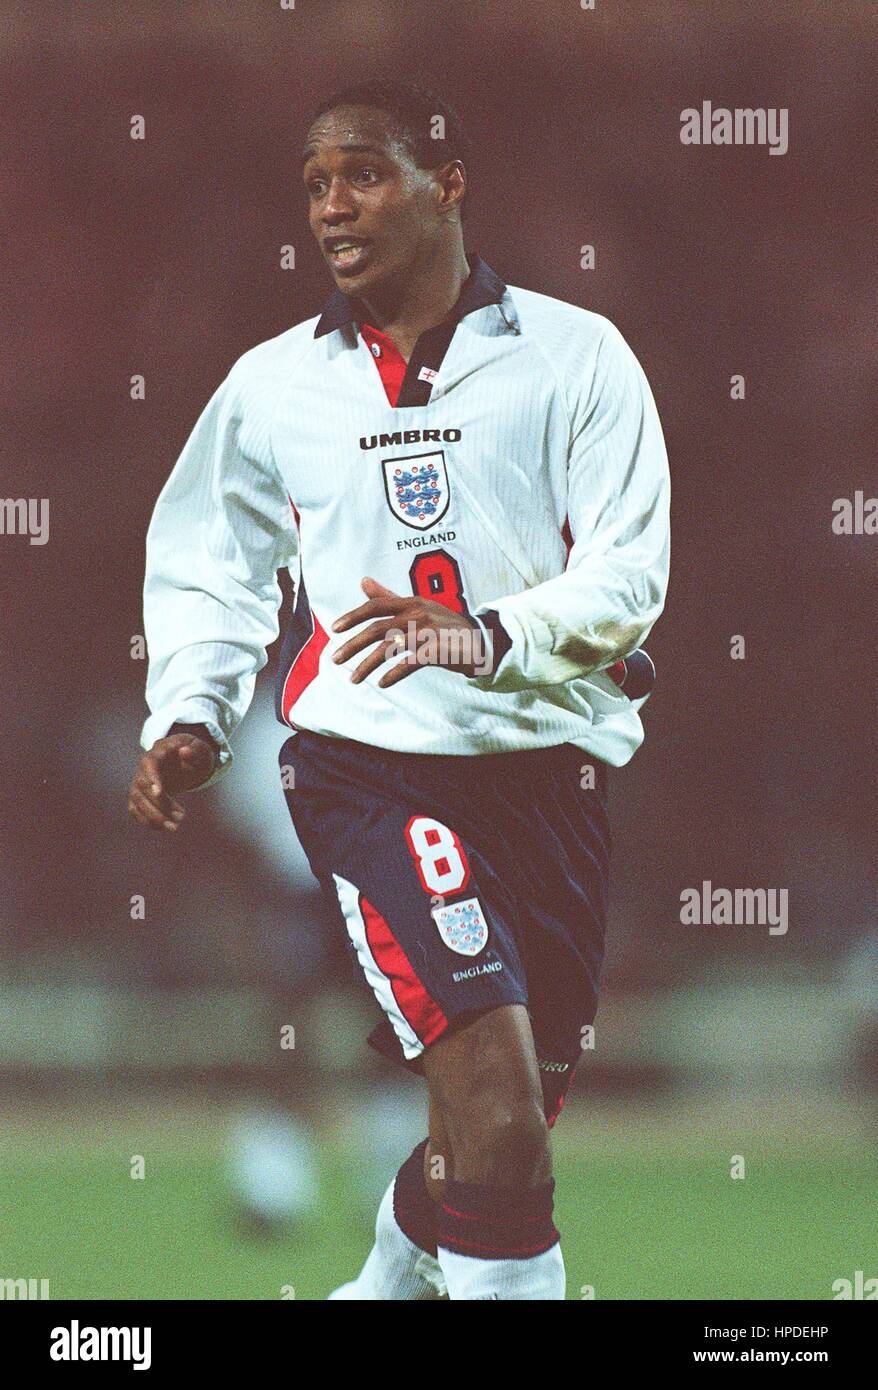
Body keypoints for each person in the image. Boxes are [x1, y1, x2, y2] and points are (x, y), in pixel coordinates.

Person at [128, 79, 670, 1300]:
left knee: (504, 1126)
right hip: (371, 768)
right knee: (490, 1095)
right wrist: (192, 712)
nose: (331, 205)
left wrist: (483, 635)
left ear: (447, 184)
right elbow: (210, 554)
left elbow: (630, 574)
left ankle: (380, 1281)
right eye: (315, 184)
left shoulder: (576, 356)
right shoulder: (275, 384)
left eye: (362, 173)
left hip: (548, 770)